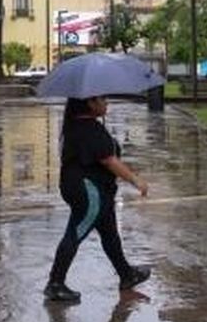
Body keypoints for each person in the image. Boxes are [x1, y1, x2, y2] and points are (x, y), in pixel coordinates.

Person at [45, 96, 151, 303]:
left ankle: (126, 274)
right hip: (89, 192)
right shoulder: (87, 128)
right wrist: (135, 180)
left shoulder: (79, 125)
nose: (107, 103)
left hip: (95, 190)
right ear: (90, 103)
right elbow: (109, 160)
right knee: (75, 233)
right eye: (102, 99)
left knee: (110, 233)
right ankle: (55, 284)